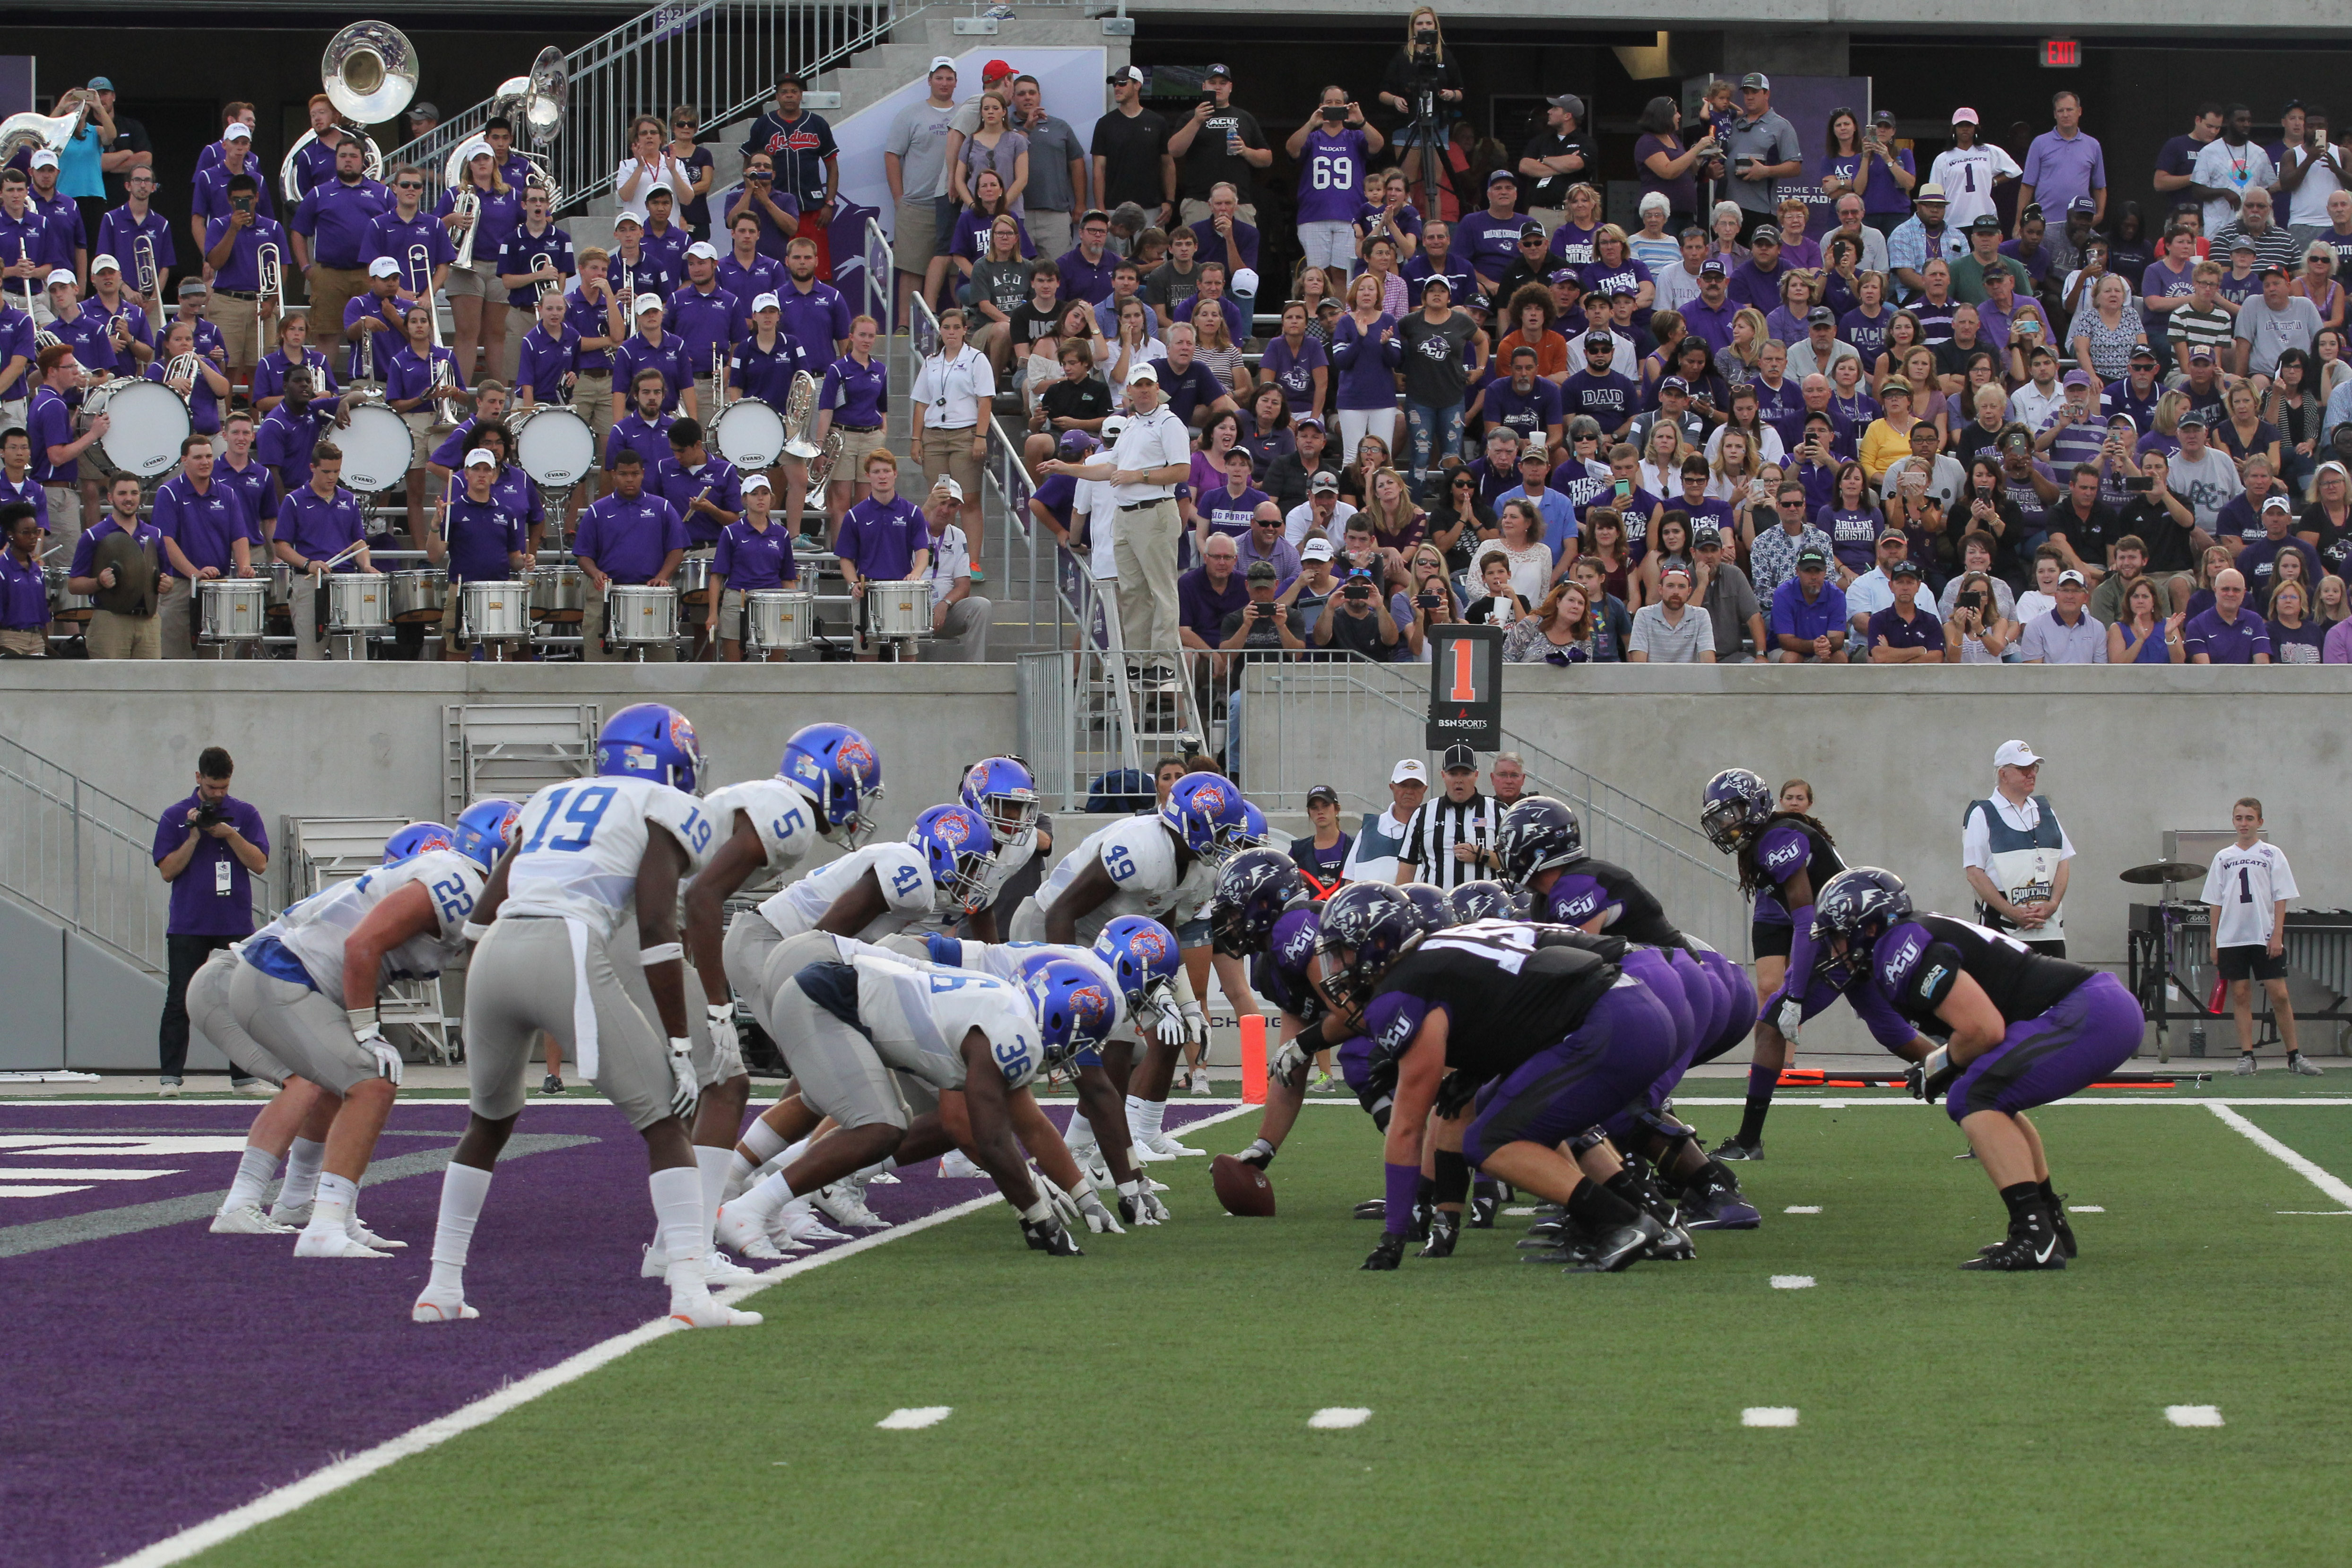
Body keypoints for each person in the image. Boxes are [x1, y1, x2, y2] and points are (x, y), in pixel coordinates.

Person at [412, 707, 772, 1325]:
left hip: (495, 952)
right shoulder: (662, 803)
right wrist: (680, 1043)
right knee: (666, 1119)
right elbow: (659, 927)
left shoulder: (550, 796)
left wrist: (484, 985)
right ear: (669, 759)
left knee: (487, 1125)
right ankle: (689, 1293)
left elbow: (480, 916)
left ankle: (441, 1287)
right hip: (566, 944)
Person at [191, 807, 510, 1254]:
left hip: (280, 975)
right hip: (258, 975)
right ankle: (268, 1210)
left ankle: (310, 1206)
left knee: (342, 1080)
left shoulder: (447, 880)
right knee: (352, 1080)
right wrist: (365, 1029)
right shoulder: (458, 881)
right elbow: (361, 945)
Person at [1813, 866, 2139, 1270]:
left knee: (1974, 1095)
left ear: (1867, 924)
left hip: (2088, 1011)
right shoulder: (1910, 934)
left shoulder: (1898, 945)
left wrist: (1938, 1062)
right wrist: (1943, 1061)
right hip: (2095, 1005)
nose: (1834, 951)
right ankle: (2047, 1222)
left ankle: (2034, 1234)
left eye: (1837, 936)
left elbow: (1983, 1029)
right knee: (1988, 1095)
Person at [1041, 362, 1188, 670]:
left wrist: (1138, 476)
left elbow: (1181, 470)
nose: (1145, 391)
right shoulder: (1132, 424)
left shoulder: (1169, 422)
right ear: (1130, 392)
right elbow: (1110, 468)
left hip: (1154, 511)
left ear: (1157, 388)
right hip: (1125, 517)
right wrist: (1067, 468)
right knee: (1133, 593)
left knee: (1160, 589)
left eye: (1150, 385)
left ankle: (1163, 660)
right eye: (1139, 386)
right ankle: (1137, 659)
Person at [151, 748, 268, 1096]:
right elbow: (168, 871)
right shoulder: (175, 815)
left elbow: (260, 864)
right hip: (189, 923)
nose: (218, 794)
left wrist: (230, 834)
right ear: (198, 778)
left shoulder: (245, 814)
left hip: (234, 921)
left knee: (242, 999)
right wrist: (194, 835)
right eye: (213, 786)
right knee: (179, 999)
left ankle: (244, 1077)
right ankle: (170, 1078)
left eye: (224, 787)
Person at [2198, 797, 2316, 1077]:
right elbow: (2215, 901)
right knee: (2240, 994)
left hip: (2263, 935)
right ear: (2233, 821)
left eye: (2250, 819)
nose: (2244, 824)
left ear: (2260, 822)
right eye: (2239, 818)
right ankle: (2247, 1056)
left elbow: (2281, 897)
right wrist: (2214, 941)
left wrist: (2277, 935)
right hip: (2232, 937)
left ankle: (2294, 1055)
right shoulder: (2223, 857)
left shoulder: (2272, 854)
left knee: (2280, 994)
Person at [1393, 744, 1501, 890]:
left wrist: (1482, 855)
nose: (1459, 780)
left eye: (1466, 773)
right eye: (1453, 774)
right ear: (1443, 776)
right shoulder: (1423, 815)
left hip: (1485, 907)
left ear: (1476, 775)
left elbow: (1515, 864)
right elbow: (1406, 870)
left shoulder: (1498, 812)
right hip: (1437, 908)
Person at [1341, 759, 1427, 883]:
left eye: (1416, 786)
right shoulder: (1369, 828)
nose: (1409, 791)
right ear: (1392, 787)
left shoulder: (1434, 827)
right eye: (1403, 785)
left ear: (1425, 789)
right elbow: (1350, 880)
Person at [1626, 561, 1714, 661]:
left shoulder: (1701, 615)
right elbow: (1639, 665)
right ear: (1660, 590)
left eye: (1682, 587)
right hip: (1653, 677)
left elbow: (1708, 663)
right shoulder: (1644, 615)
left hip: (1690, 677)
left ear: (1689, 591)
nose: (1676, 592)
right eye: (1670, 586)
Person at [2183, 566, 2272, 662]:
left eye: (2236, 590)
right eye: (2225, 589)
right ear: (2215, 590)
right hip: (2214, 677)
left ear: (2244, 593)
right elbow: (2205, 672)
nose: (2231, 594)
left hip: (2248, 677)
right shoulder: (2196, 625)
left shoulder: (2255, 621)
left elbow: (2262, 666)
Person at [1288, 781, 1353, 887]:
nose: (1320, 812)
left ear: (1337, 809)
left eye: (1326, 806)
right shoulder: (1298, 850)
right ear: (1309, 812)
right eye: (1314, 808)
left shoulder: (1354, 846)